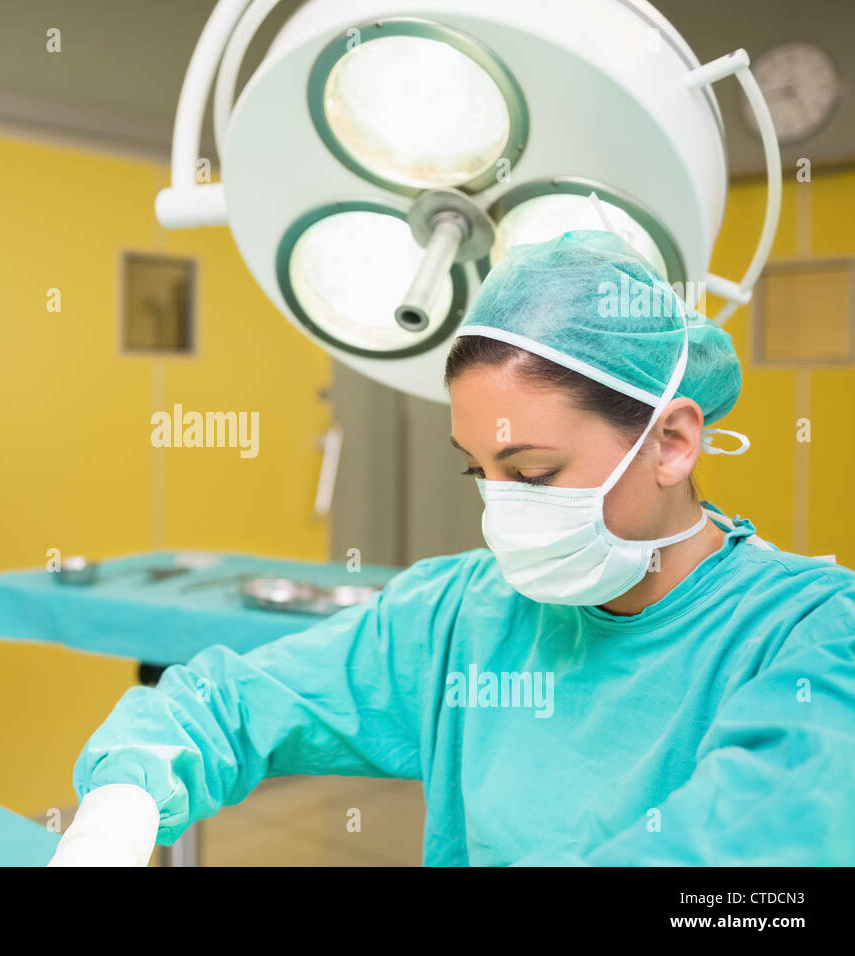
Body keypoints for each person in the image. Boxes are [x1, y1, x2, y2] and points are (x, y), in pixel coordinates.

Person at [48, 230, 855, 867]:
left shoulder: (812, 636)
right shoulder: (461, 615)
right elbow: (225, 704)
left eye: (533, 472)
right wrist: (117, 814)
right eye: (480, 471)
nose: (501, 513)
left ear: (673, 441)